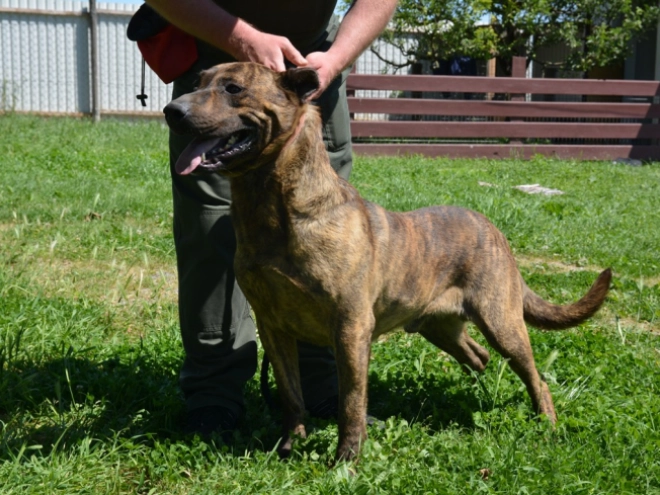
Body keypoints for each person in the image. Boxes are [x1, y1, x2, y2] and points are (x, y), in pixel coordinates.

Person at [144, 0, 398, 438]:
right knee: (209, 233)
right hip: (213, 51)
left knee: (323, 235)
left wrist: (334, 60)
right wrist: (242, 38)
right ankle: (214, 393)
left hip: (310, 69)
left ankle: (319, 384)